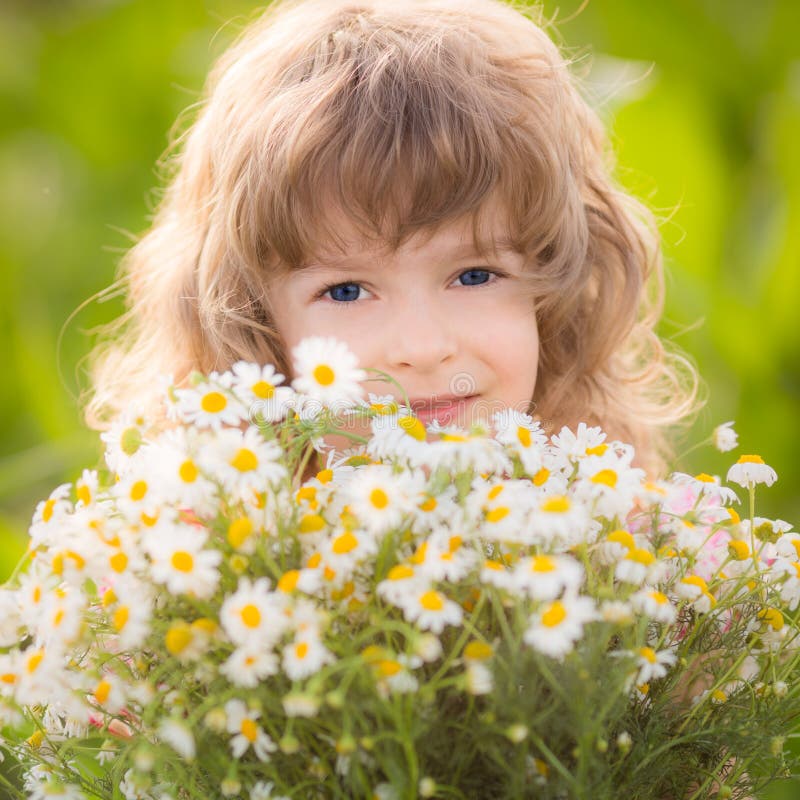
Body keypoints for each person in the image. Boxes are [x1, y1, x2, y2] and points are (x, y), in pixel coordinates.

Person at [83, 0, 699, 478]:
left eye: (475, 275)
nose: (423, 349)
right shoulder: (208, 569)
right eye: (346, 290)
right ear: (255, 328)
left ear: (555, 289)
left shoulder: (617, 542)